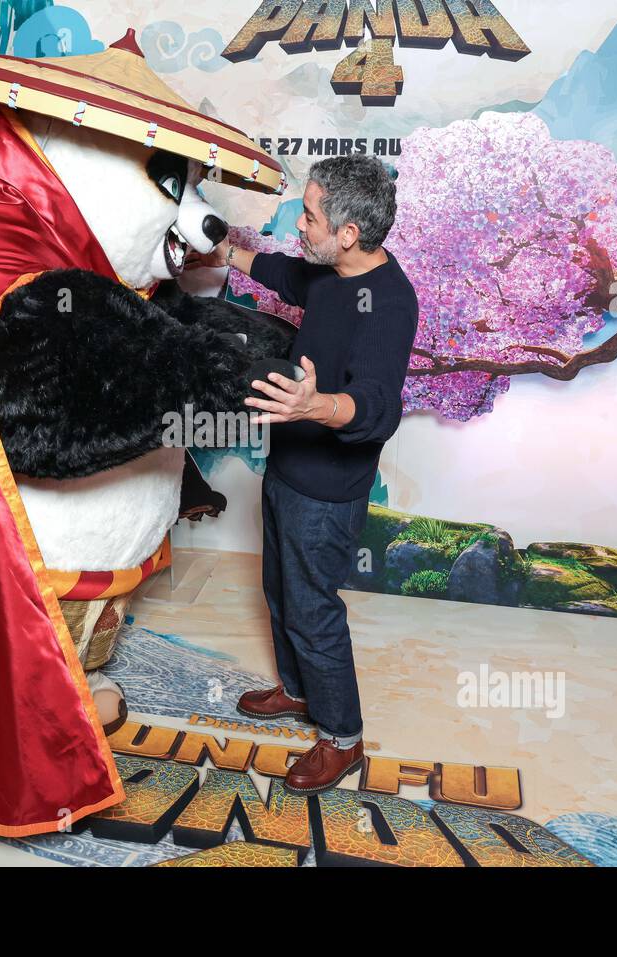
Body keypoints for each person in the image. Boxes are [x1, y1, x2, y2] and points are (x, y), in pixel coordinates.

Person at [199, 154, 418, 794]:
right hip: (288, 467)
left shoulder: (389, 303)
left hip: (326, 492)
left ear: (348, 234)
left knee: (313, 612)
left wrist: (316, 406)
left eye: (311, 216)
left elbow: (379, 404)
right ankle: (297, 691)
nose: (300, 224)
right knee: (279, 589)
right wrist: (222, 253)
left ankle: (341, 739)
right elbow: (287, 275)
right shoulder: (331, 272)